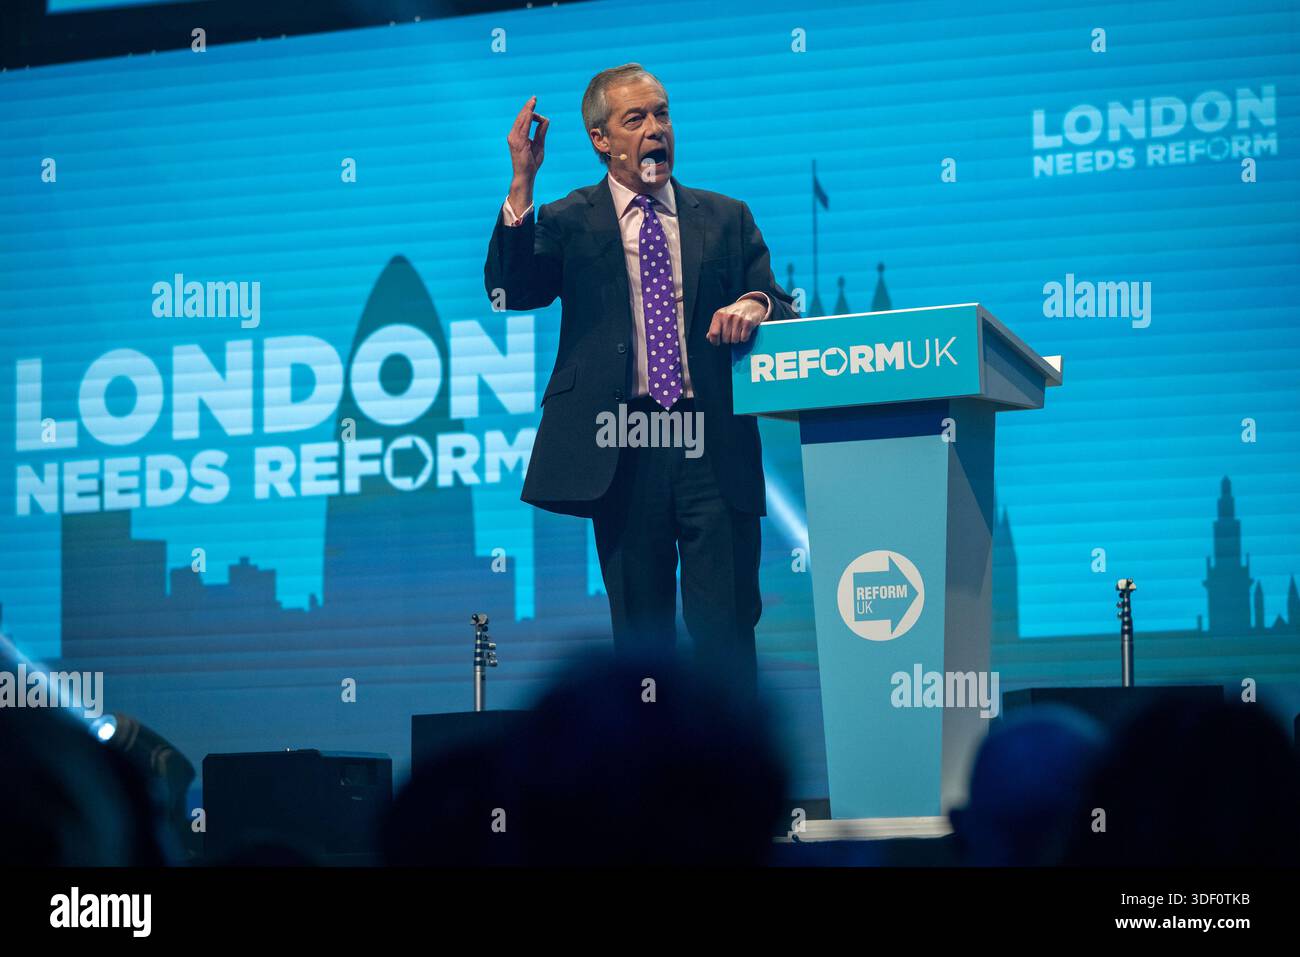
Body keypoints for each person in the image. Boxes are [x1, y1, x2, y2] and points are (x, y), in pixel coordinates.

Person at [484, 64, 797, 698]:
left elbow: (779, 300)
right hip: (624, 446)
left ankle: (732, 785)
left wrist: (757, 306)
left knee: (727, 625)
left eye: (662, 113)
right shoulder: (571, 219)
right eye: (637, 119)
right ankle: (656, 790)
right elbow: (512, 292)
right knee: (642, 638)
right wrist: (523, 180)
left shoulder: (726, 217)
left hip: (712, 443)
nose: (656, 129)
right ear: (601, 139)